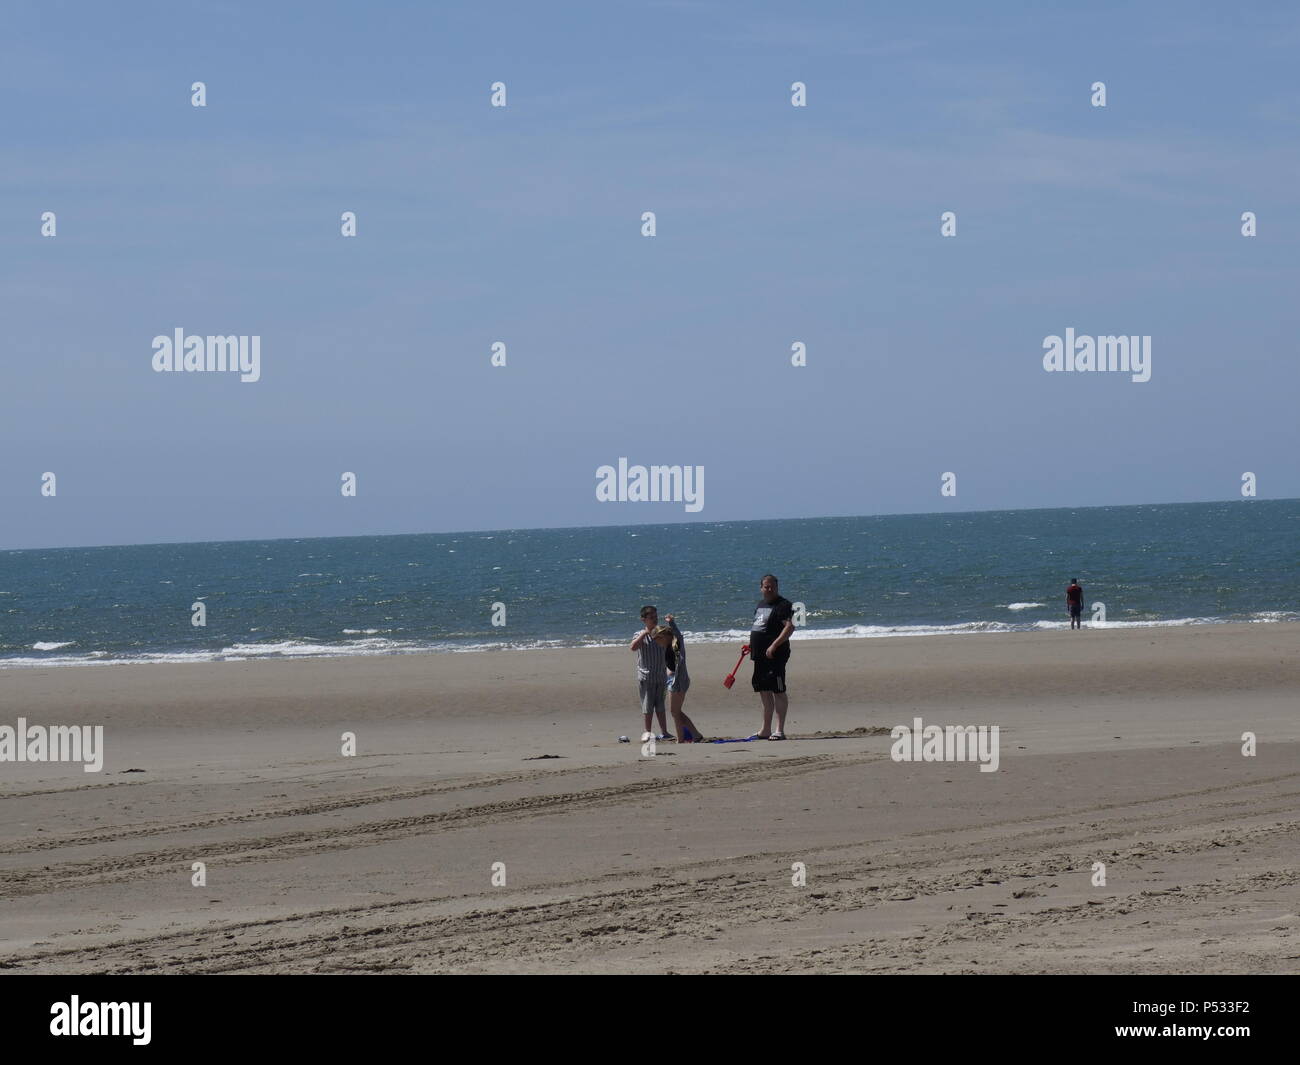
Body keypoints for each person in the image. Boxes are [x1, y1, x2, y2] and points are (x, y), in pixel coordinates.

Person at [748, 574, 795, 740]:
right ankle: (765, 729)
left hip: (776, 655)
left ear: (777, 587)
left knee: (778, 690)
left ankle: (779, 730)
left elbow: (789, 628)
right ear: (761, 588)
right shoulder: (761, 604)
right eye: (766, 587)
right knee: (763, 691)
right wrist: (751, 645)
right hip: (759, 655)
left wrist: (774, 645)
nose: (770, 589)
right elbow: (760, 627)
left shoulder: (783, 605)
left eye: (772, 586)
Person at [654, 615, 704, 742]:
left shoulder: (676, 645)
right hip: (673, 680)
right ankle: (696, 734)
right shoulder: (666, 646)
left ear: (663, 637)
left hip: (678, 681)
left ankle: (680, 739)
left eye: (657, 640)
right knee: (677, 712)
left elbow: (678, 635)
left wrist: (672, 623)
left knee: (674, 712)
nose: (657, 643)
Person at [630, 604, 671, 740]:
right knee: (647, 707)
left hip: (660, 676)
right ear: (643, 619)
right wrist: (644, 634)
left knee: (660, 706)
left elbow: (671, 648)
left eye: (655, 616)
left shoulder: (662, 633)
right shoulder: (639, 634)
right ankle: (647, 732)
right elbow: (633, 647)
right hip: (646, 676)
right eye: (651, 617)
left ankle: (664, 732)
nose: (654, 619)